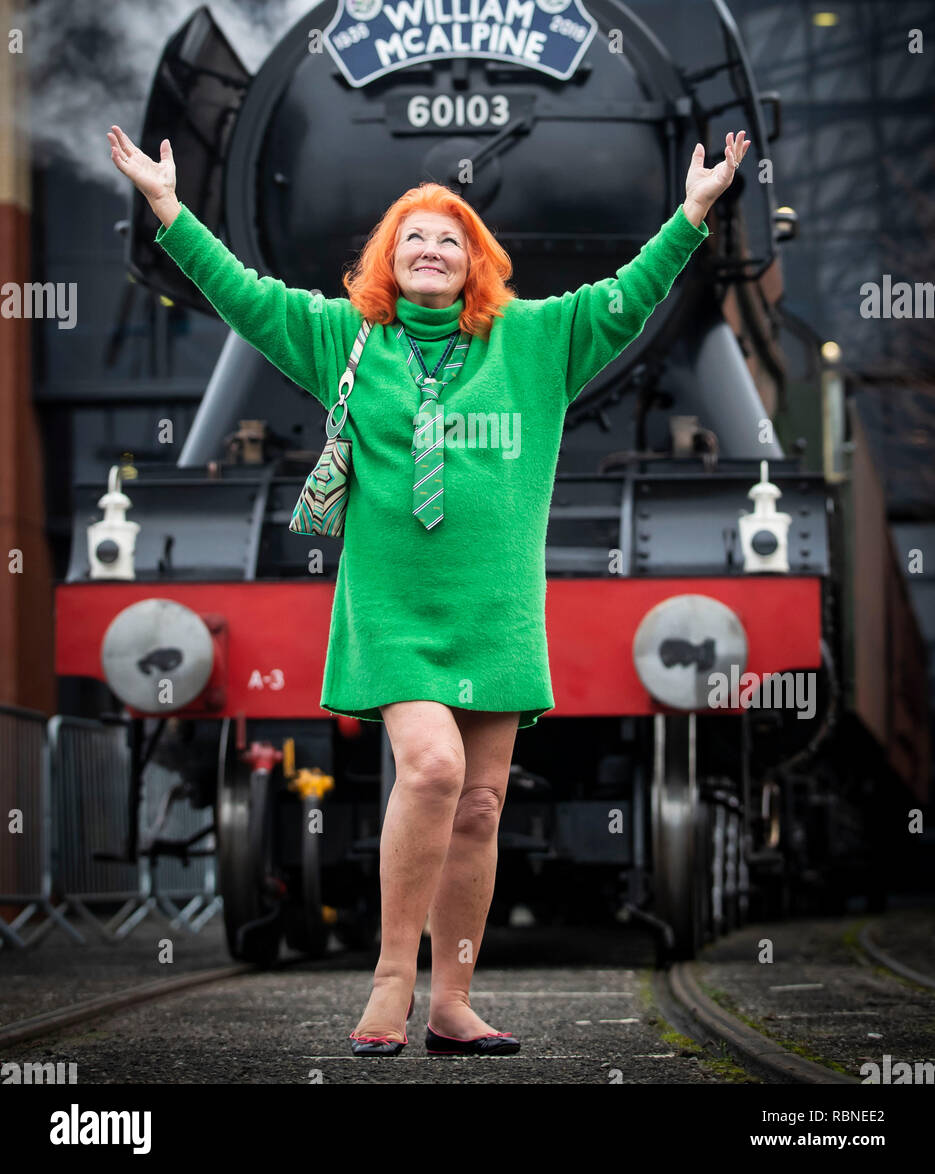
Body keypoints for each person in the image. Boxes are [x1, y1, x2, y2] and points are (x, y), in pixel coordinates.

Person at [107, 121, 750, 1057]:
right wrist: (167, 206)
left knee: (483, 805)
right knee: (436, 769)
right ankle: (388, 980)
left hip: (496, 613)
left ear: (476, 261)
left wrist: (692, 212)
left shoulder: (534, 341)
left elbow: (627, 297)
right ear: (387, 259)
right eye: (413, 237)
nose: (432, 248)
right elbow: (243, 298)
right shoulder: (342, 338)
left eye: (450, 238)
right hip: (395, 613)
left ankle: (452, 1001)